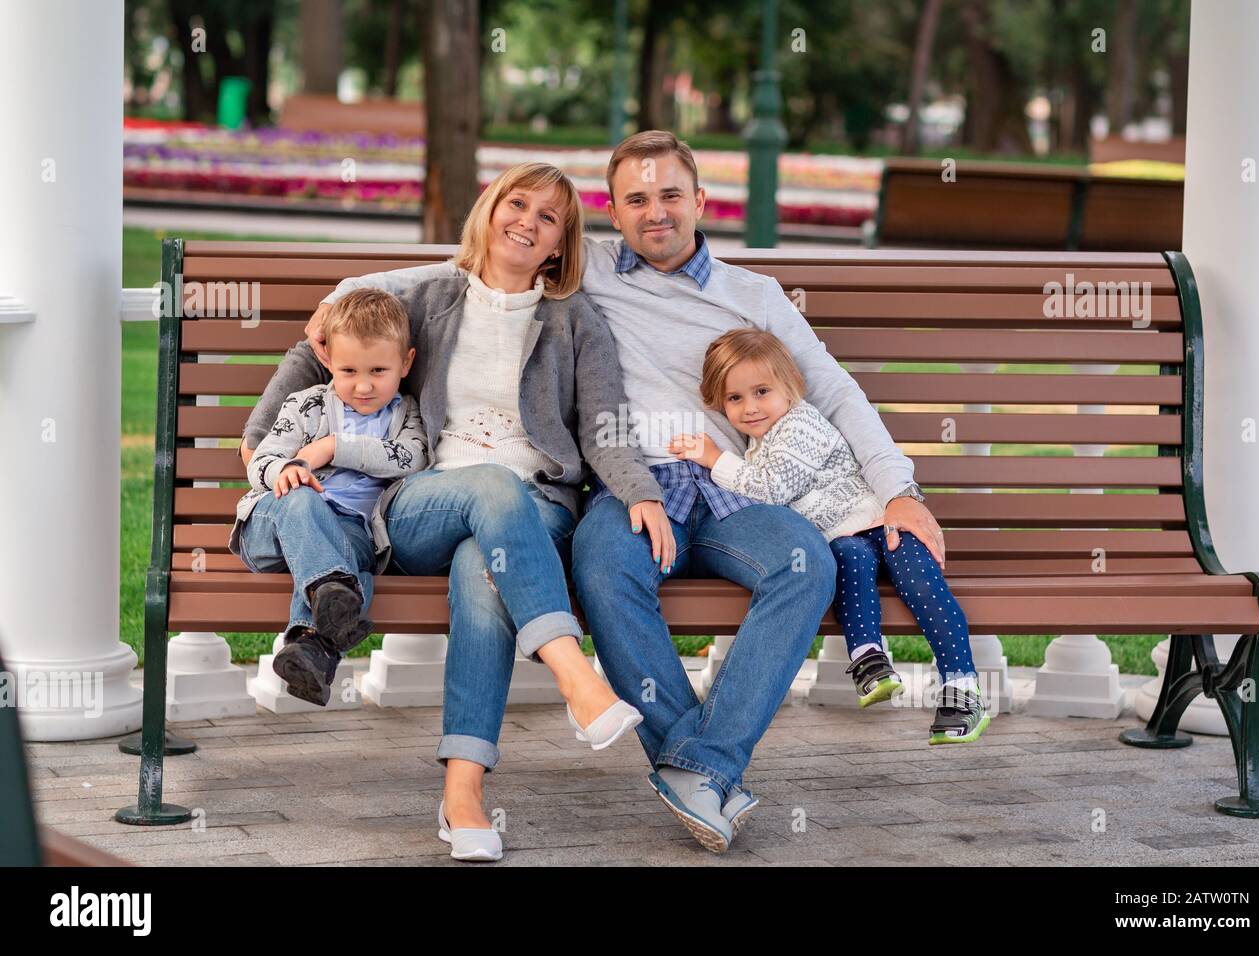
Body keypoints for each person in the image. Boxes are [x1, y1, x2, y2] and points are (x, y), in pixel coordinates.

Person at [289, 131, 945, 855]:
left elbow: (835, 392)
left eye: (670, 194)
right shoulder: (581, 268)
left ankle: (701, 764)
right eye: (636, 198)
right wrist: (345, 293)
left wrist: (900, 490)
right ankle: (688, 765)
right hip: (632, 490)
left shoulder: (752, 297)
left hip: (733, 489)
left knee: (805, 565)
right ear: (613, 210)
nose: (654, 211)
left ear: (699, 201)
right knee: (602, 565)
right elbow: (453, 274)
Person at [240, 162, 668, 862]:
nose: (527, 221)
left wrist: (639, 489)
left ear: (561, 242)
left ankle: (463, 795)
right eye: (516, 202)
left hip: (534, 511)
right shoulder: (432, 296)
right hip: (423, 500)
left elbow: (604, 426)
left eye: (548, 216)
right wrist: (262, 439)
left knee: (484, 561)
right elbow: (332, 340)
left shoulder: (573, 319)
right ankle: (575, 677)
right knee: (489, 488)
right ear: (490, 209)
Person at [668, 327, 989, 746]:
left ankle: (962, 687)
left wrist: (714, 459)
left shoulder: (800, 424)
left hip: (883, 524)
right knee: (848, 564)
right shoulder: (759, 443)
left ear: (791, 387)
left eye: (761, 391)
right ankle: (870, 663)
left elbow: (771, 489)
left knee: (923, 587)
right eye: (735, 398)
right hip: (844, 537)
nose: (750, 407)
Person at [233, 288, 428, 707]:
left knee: (351, 557)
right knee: (305, 500)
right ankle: (334, 592)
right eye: (348, 370)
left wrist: (336, 446)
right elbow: (261, 457)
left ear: (406, 362)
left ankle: (311, 647)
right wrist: (283, 471)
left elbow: (412, 457)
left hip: (348, 534)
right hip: (276, 524)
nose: (362, 385)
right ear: (327, 363)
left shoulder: (405, 415)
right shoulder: (306, 407)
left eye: (378, 370)